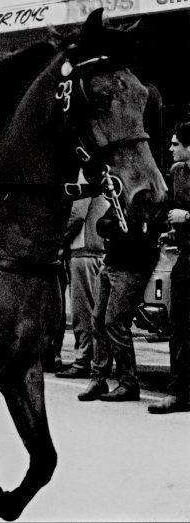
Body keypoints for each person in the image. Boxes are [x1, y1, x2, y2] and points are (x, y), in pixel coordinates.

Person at [78, 205, 164, 402]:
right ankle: (99, 378)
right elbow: (102, 224)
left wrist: (116, 228)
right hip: (112, 262)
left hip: (132, 266)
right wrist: (117, 228)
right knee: (98, 320)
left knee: (115, 322)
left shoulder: (148, 203)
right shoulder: (123, 201)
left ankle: (128, 382)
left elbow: (139, 235)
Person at [149, 122, 190, 413]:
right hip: (185, 257)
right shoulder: (177, 174)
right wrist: (172, 231)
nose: (170, 147)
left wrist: (187, 216)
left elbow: (183, 213)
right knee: (180, 327)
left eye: (176, 143)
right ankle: (178, 391)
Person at [56, 188, 109, 378]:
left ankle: (83, 360)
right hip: (94, 248)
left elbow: (76, 215)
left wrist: (58, 242)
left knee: (82, 310)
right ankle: (94, 358)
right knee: (94, 309)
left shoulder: (83, 180)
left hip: (83, 248)